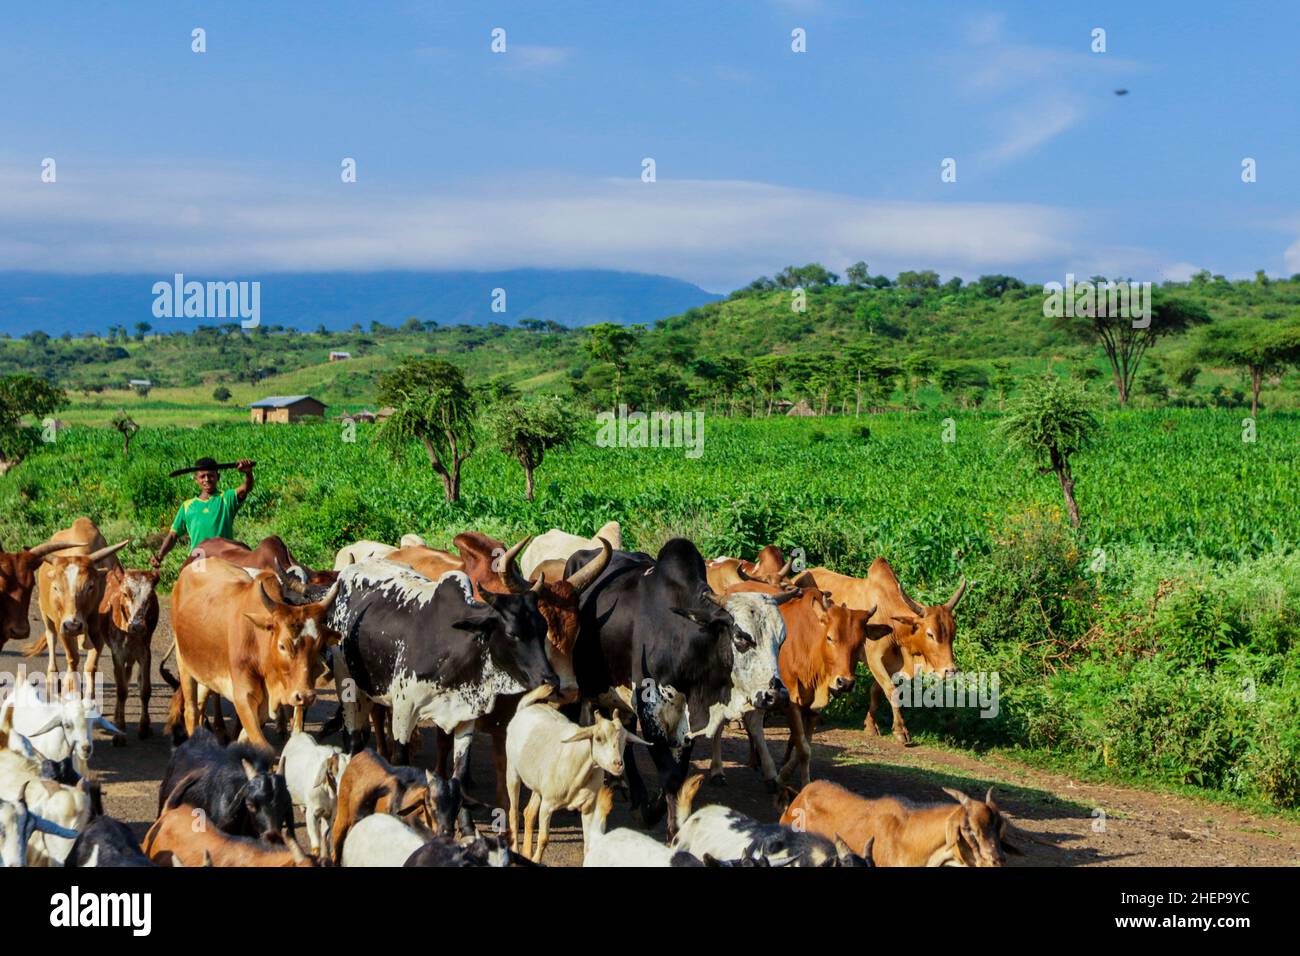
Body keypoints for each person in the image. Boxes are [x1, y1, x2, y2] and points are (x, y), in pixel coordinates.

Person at [152, 457, 255, 569]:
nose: (206, 479)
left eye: (210, 475)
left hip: (225, 556)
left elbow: (246, 488)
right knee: (187, 584)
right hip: (198, 559)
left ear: (218, 477)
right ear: (196, 479)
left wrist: (248, 473)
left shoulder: (226, 498)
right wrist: (160, 555)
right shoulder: (187, 506)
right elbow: (173, 535)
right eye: (202, 476)